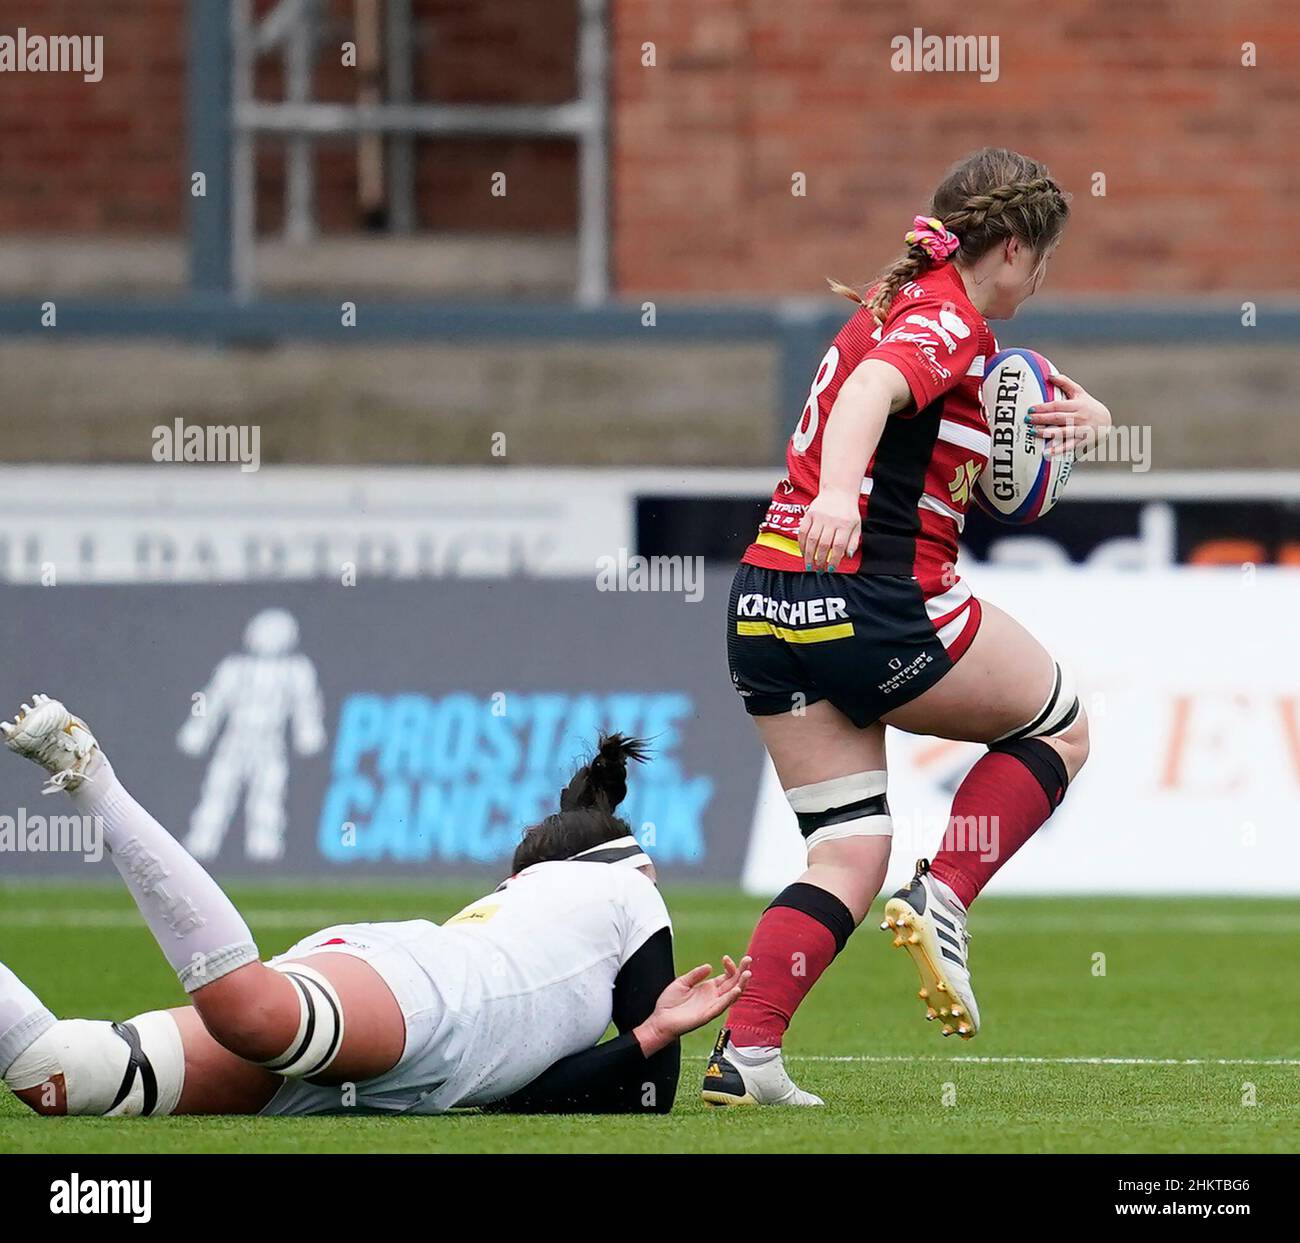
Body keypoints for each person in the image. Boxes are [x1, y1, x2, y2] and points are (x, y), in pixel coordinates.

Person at [702, 148, 1109, 1107]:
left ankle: (747, 1052)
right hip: (877, 601)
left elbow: (977, 401)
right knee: (1059, 725)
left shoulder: (909, 301)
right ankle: (949, 892)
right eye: (1040, 261)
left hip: (767, 601)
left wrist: (1085, 413)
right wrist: (840, 492)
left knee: (845, 847)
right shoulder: (941, 319)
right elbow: (871, 393)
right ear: (1010, 248)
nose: (1039, 281)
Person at [0, 696, 748, 1118]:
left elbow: (528, 1100)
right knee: (246, 1011)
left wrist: (646, 1032)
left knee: (60, 1074)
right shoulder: (625, 882)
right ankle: (91, 775)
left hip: (411, 1063)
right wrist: (653, 1033)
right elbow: (644, 1102)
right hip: (427, 1003)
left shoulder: (529, 906)